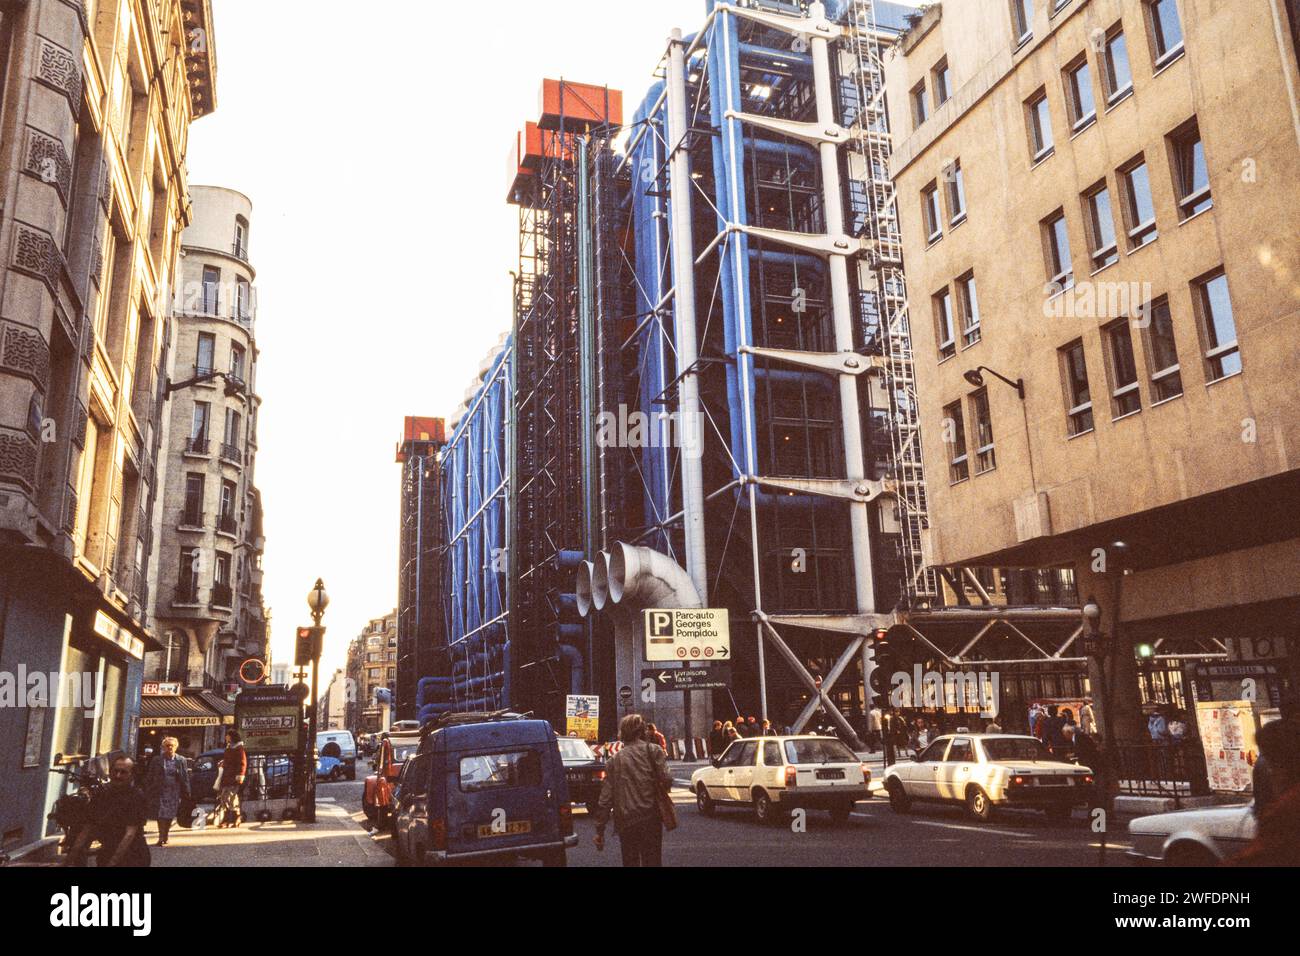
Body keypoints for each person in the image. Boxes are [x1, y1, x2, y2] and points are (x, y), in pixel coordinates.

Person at [593, 714, 673, 867]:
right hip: (651, 818)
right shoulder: (654, 751)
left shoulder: (614, 761)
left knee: (630, 861)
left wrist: (600, 830)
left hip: (626, 821)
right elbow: (667, 778)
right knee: (653, 861)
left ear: (622, 733)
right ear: (641, 731)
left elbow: (605, 800)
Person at [66, 756, 150, 867]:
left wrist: (112, 863)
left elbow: (129, 834)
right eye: (115, 771)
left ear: (131, 775)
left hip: (133, 855)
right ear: (110, 772)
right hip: (107, 851)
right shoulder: (101, 794)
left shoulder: (136, 797)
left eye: (123, 772)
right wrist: (69, 860)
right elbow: (87, 828)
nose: (118, 775)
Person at [142, 736, 191, 847]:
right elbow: (150, 774)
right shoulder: (157, 759)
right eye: (167, 746)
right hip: (160, 789)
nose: (170, 748)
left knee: (170, 814)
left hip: (174, 790)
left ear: (176, 747)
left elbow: (185, 776)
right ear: (163, 747)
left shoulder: (181, 760)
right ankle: (161, 837)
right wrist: (147, 788)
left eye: (172, 746)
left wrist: (187, 791)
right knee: (161, 813)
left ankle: (166, 835)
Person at [213, 729, 247, 828]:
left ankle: (236, 817)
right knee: (224, 797)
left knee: (231, 797)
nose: (226, 737)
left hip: (233, 777)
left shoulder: (239, 748)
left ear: (232, 737)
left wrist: (240, 775)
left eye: (227, 735)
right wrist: (223, 762)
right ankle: (228, 818)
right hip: (227, 775)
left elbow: (242, 762)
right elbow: (228, 759)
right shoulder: (229, 747)